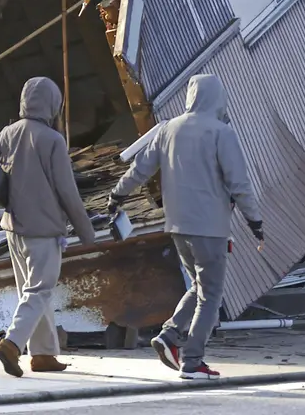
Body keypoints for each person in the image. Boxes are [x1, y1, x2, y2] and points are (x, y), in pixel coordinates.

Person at [109, 74, 263, 381]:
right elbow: (239, 183)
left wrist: (118, 194)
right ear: (219, 98)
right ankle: (193, 361)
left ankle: (169, 335)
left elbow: (141, 168)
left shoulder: (168, 129)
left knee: (198, 286)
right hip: (210, 228)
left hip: (178, 226)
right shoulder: (222, 133)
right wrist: (254, 220)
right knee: (212, 295)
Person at [0, 76, 97, 378]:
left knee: (32, 290)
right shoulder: (52, 139)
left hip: (12, 225)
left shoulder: (6, 133)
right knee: (39, 290)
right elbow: (67, 191)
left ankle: (44, 354)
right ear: (53, 103)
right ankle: (12, 343)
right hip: (42, 228)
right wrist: (86, 232)